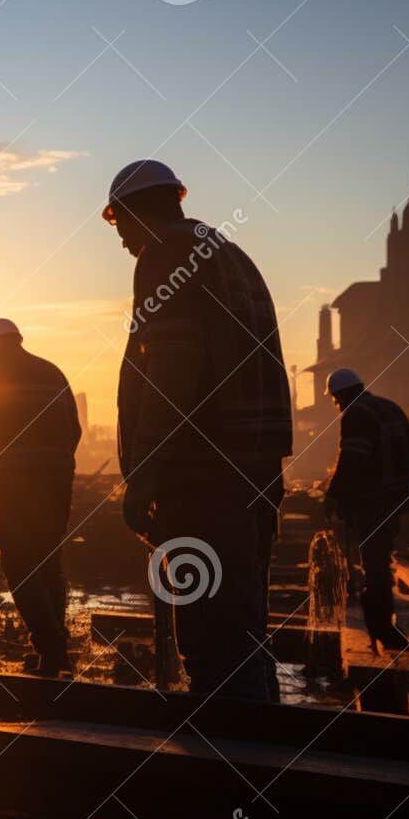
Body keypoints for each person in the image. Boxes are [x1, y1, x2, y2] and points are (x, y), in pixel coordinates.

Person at [108, 159, 291, 702]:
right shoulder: (228, 253)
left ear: (136, 213)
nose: (119, 240)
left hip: (201, 475)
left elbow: (171, 372)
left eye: (118, 223)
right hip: (251, 468)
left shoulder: (165, 254)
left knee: (208, 633)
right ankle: (260, 752)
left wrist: (144, 476)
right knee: (243, 623)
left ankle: (224, 763)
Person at [0, 319, 82, 676]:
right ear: (18, 340)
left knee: (19, 566)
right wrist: (55, 466)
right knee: (48, 564)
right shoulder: (52, 372)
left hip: (12, 488)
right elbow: (74, 430)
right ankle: (51, 651)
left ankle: (51, 648)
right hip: (55, 487)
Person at [323, 368, 409, 649]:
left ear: (341, 394)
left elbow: (352, 460)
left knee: (374, 562)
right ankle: (383, 626)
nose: (336, 405)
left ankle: (381, 630)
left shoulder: (356, 414)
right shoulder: (389, 407)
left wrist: (333, 497)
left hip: (375, 501)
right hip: (395, 498)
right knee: (381, 559)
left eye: (334, 400)